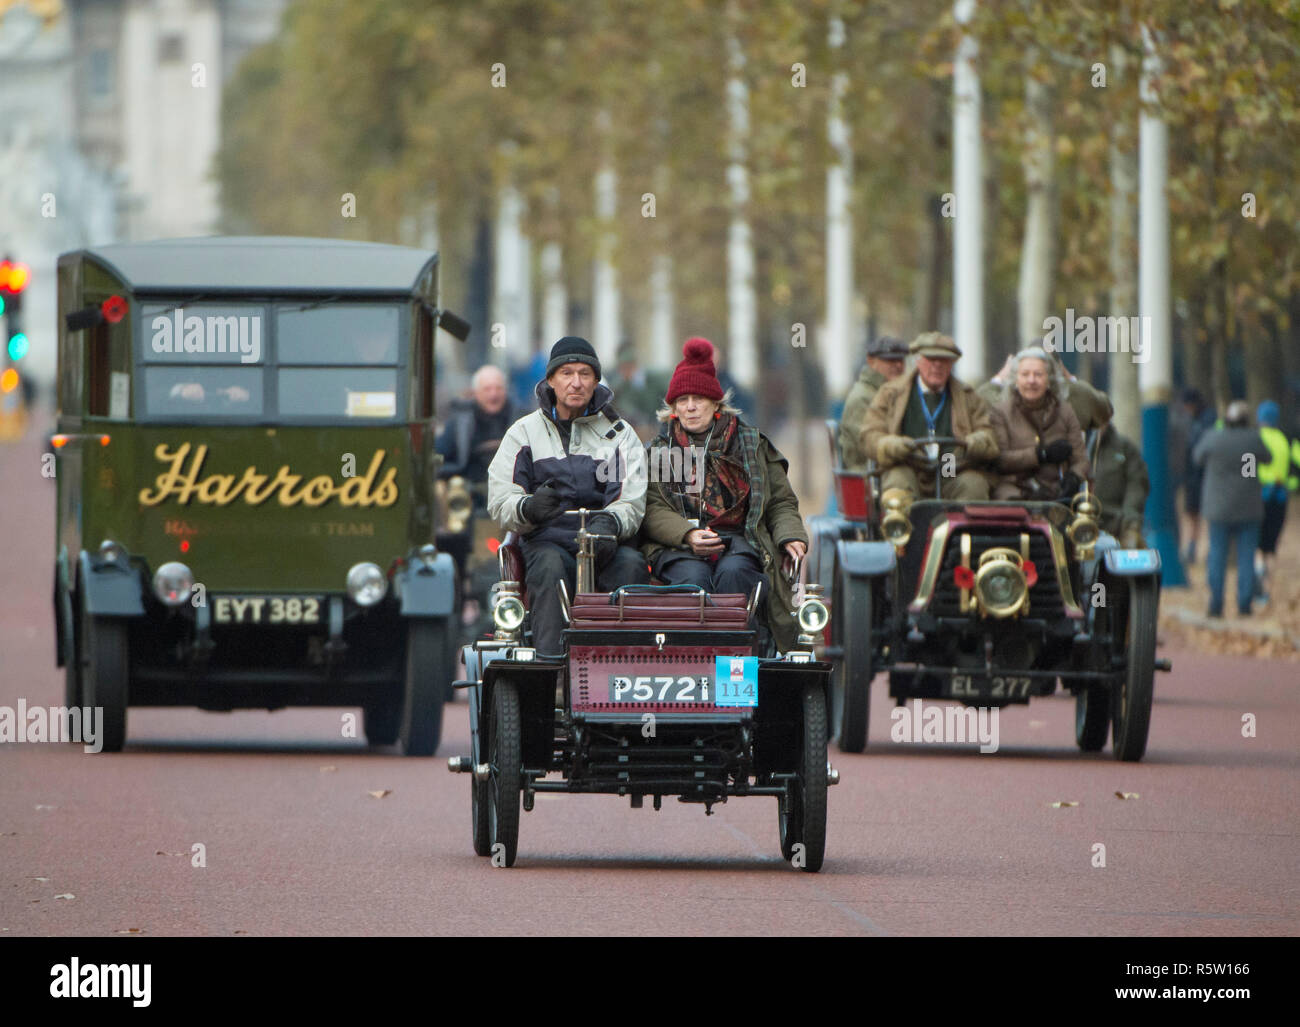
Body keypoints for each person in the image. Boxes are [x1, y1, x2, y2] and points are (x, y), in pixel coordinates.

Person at [639, 338, 809, 653]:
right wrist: (688, 534)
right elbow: (650, 508)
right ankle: (693, 663)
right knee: (693, 578)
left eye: (699, 398)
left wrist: (790, 535)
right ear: (673, 407)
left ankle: (737, 666)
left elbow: (781, 502)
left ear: (716, 403)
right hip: (677, 547)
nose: (690, 407)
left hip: (741, 539)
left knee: (736, 574)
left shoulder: (753, 445)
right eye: (683, 399)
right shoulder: (658, 453)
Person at [487, 336, 649, 654]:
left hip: (607, 544)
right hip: (547, 541)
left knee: (632, 566)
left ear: (596, 380)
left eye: (585, 374)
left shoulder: (620, 434)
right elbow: (500, 500)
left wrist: (611, 524)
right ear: (550, 380)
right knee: (548, 567)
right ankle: (551, 671)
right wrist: (528, 508)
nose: (576, 382)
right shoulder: (523, 433)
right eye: (567, 373)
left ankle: (623, 669)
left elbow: (631, 498)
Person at [861, 332, 999, 501]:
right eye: (930, 360)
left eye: (943, 360)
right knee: (897, 485)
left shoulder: (968, 396)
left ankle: (964, 528)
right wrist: (889, 444)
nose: (937, 366)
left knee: (973, 485)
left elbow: (989, 434)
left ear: (952, 364)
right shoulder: (890, 393)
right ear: (917, 361)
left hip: (951, 468)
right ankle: (899, 527)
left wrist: (978, 441)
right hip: (908, 465)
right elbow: (869, 435)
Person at [1192, 400, 1270, 618]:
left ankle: (1216, 604)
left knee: (1217, 555)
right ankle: (1244, 604)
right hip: (1249, 508)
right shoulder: (1253, 439)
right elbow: (1267, 458)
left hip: (1218, 508)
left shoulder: (1213, 437)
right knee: (1246, 557)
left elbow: (1197, 458)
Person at [989, 347, 1089, 501]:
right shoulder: (1000, 413)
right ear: (1016, 380)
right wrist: (1041, 454)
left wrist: (1074, 477)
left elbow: (1081, 459)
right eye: (1025, 374)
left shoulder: (1065, 411)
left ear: (1049, 380)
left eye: (1038, 374)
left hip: (1055, 493)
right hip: (1013, 492)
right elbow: (999, 459)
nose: (1031, 380)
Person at [436, 364, 518, 501]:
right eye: (487, 389)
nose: (493, 394)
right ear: (475, 392)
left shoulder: (519, 418)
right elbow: (439, 454)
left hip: (512, 494)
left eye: (498, 388)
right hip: (469, 496)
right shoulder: (459, 422)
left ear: (505, 390)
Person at [838, 335, 909, 469]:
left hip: (888, 467)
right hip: (868, 473)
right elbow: (868, 445)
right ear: (871, 361)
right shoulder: (862, 398)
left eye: (901, 360)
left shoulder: (898, 394)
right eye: (890, 360)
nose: (898, 365)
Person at [1256, 399, 1299, 597]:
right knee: (1271, 544)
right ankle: (1268, 590)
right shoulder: (1286, 440)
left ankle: (1257, 583)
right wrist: (1291, 483)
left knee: (1256, 543)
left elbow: (1246, 471)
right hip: (1280, 497)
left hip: (1258, 497)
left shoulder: (1255, 439)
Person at [1092, 420, 1149, 548]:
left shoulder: (1125, 448)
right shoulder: (1071, 448)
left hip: (1115, 525)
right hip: (1077, 528)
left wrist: (1130, 522)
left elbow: (1136, 487)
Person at [1181, 387, 1218, 563]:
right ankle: (1192, 547)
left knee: (1208, 513)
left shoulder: (1208, 420)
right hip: (1192, 476)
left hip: (1206, 474)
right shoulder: (1191, 420)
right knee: (1192, 513)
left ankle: (1208, 548)